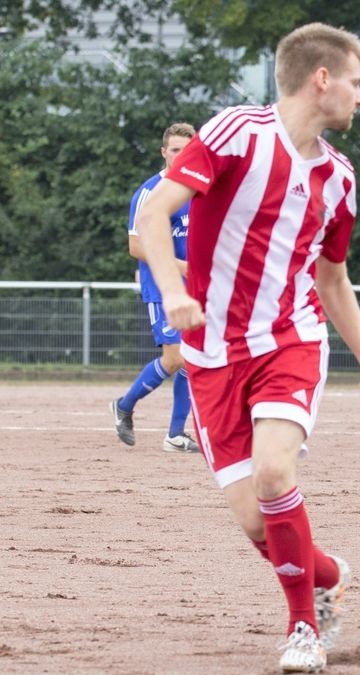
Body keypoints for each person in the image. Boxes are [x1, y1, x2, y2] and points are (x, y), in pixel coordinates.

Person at [132, 22, 360, 673]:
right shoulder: (236, 133)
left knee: (275, 473)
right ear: (322, 79)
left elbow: (332, 279)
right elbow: (154, 215)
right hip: (210, 356)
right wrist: (173, 292)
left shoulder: (339, 177)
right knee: (256, 521)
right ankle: (326, 575)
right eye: (357, 82)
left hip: (289, 339)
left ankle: (304, 626)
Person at [111, 123, 200, 453]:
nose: (181, 156)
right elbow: (136, 246)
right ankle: (124, 405)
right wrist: (182, 267)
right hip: (162, 286)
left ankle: (176, 435)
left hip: (195, 289)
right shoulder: (150, 192)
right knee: (176, 357)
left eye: (187, 150)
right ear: (164, 152)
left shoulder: (200, 190)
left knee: (194, 359)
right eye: (175, 150)